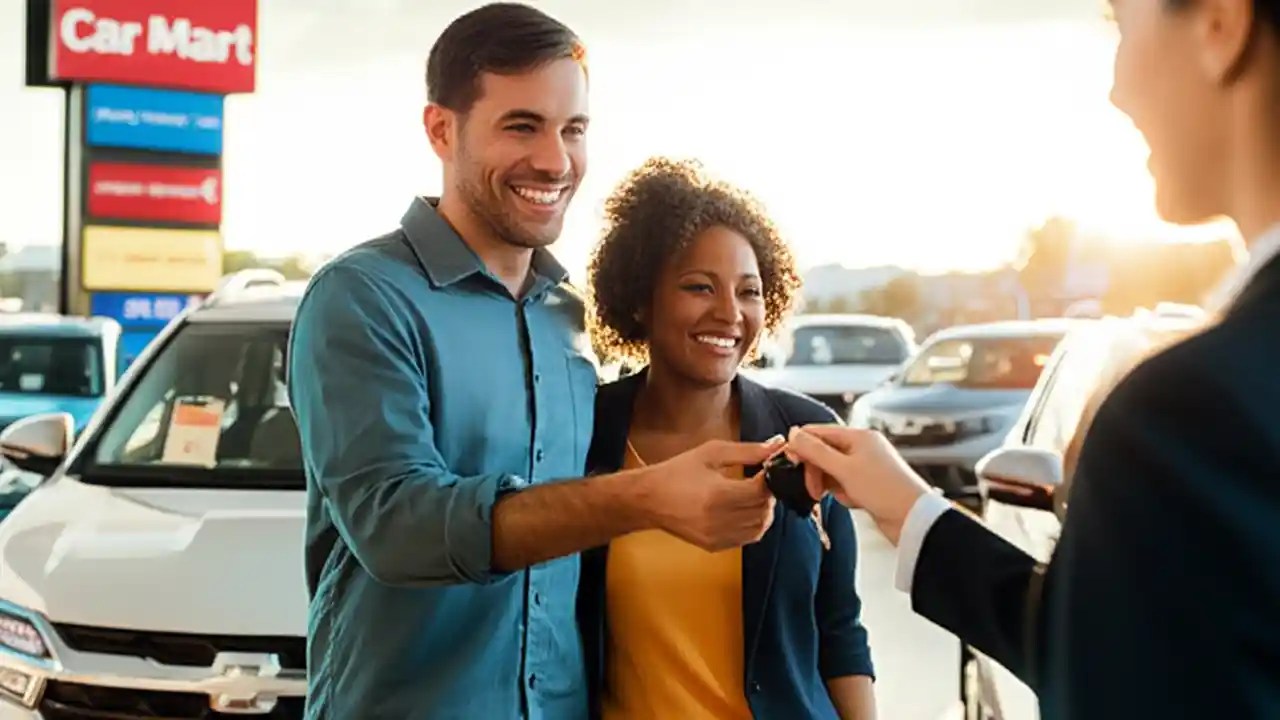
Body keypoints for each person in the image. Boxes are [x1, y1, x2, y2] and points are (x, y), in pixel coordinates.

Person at [785, 0, 1280, 717]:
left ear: (1219, 25)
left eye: (1118, 24)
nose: (1116, 89)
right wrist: (912, 509)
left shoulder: (1190, 413)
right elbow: (1150, 648)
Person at [287, 6, 781, 719]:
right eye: (522, 126)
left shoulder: (569, 319)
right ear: (441, 129)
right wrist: (644, 499)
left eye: (573, 129)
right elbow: (396, 526)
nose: (555, 161)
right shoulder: (361, 298)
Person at [576, 158, 878, 720]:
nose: (729, 313)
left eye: (749, 291)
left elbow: (839, 629)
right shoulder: (582, 434)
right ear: (640, 298)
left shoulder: (805, 435)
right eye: (698, 286)